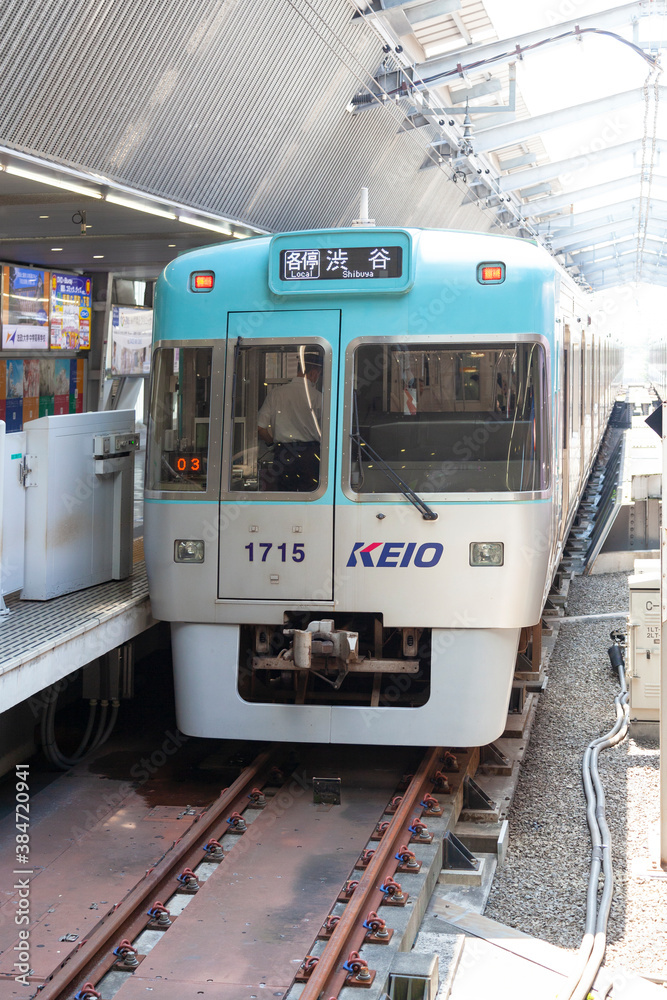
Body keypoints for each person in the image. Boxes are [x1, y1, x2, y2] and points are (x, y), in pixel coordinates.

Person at [257, 352, 323, 491]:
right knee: (310, 497)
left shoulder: (275, 394)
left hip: (283, 454)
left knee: (285, 496)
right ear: (314, 373)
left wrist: (271, 445)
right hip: (310, 454)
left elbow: (260, 428)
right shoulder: (319, 398)